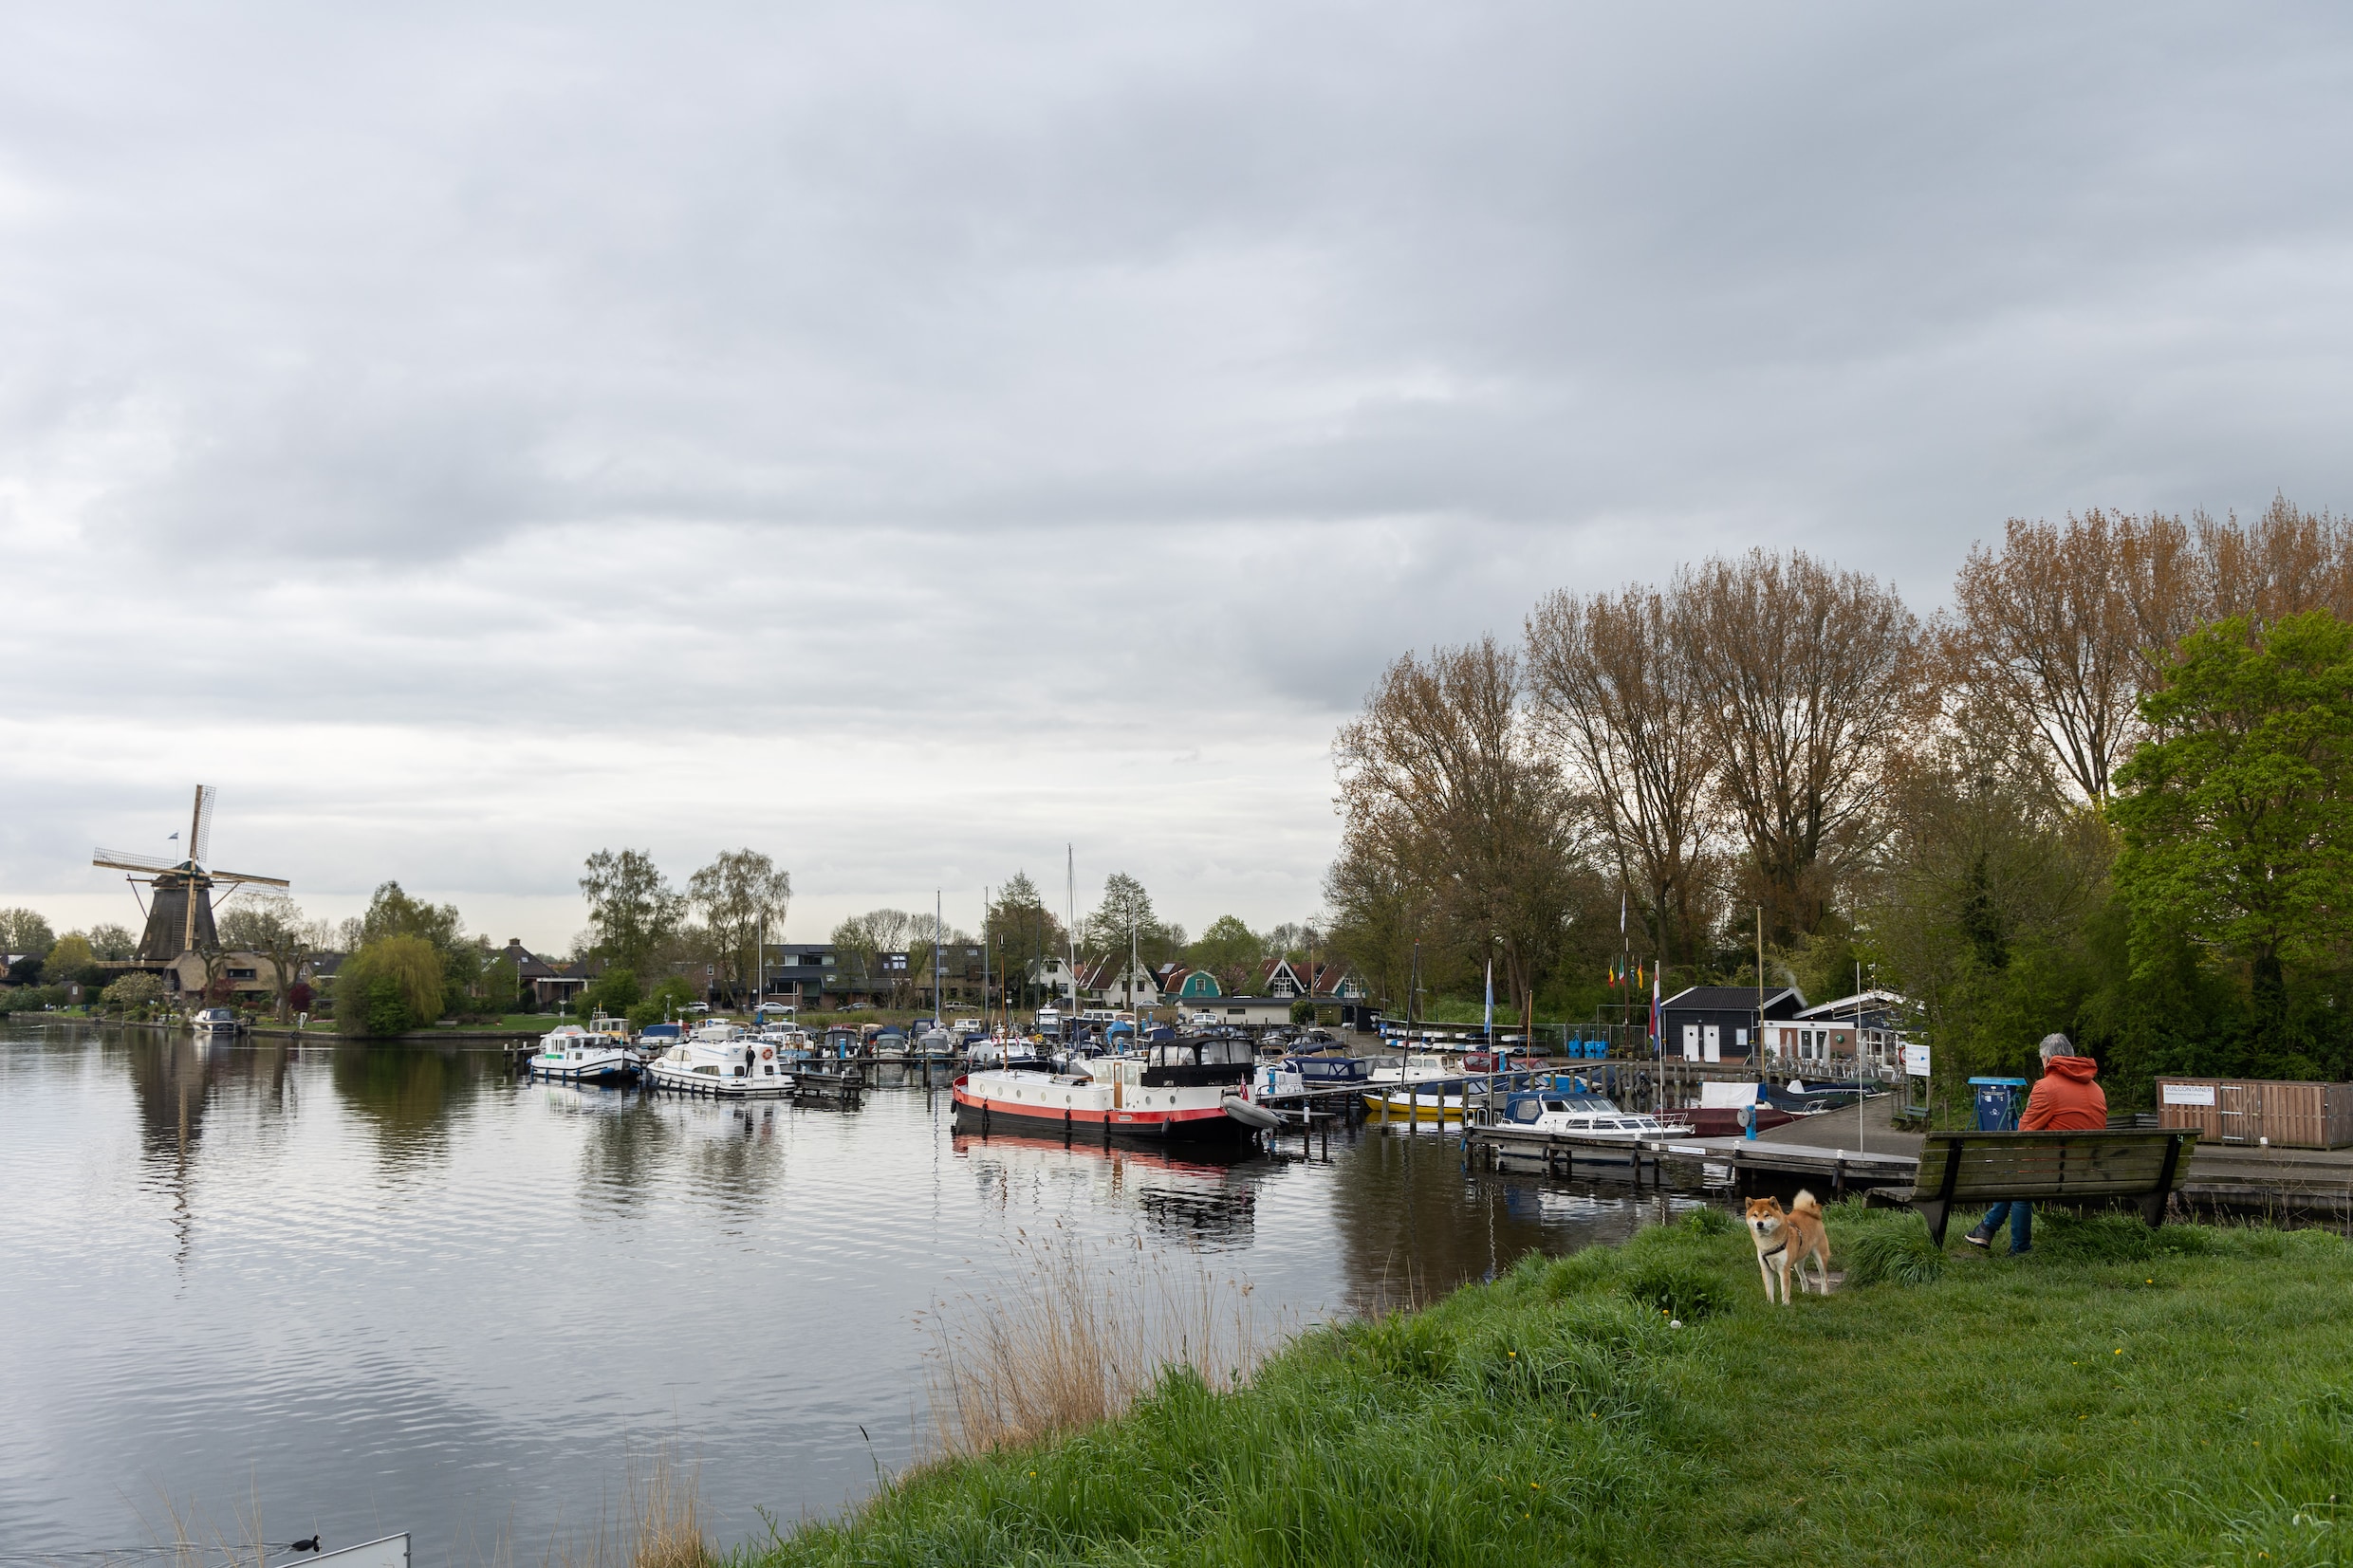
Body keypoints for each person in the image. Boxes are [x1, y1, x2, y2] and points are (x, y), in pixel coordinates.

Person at [1964, 1032, 2106, 1254]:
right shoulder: (2097, 1089)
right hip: (2088, 1168)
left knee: (2019, 1179)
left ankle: (2018, 1248)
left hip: (2056, 1170)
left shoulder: (2046, 1087)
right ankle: (1985, 1229)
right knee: (2019, 1174)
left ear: (2047, 1059)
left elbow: (2025, 1132)